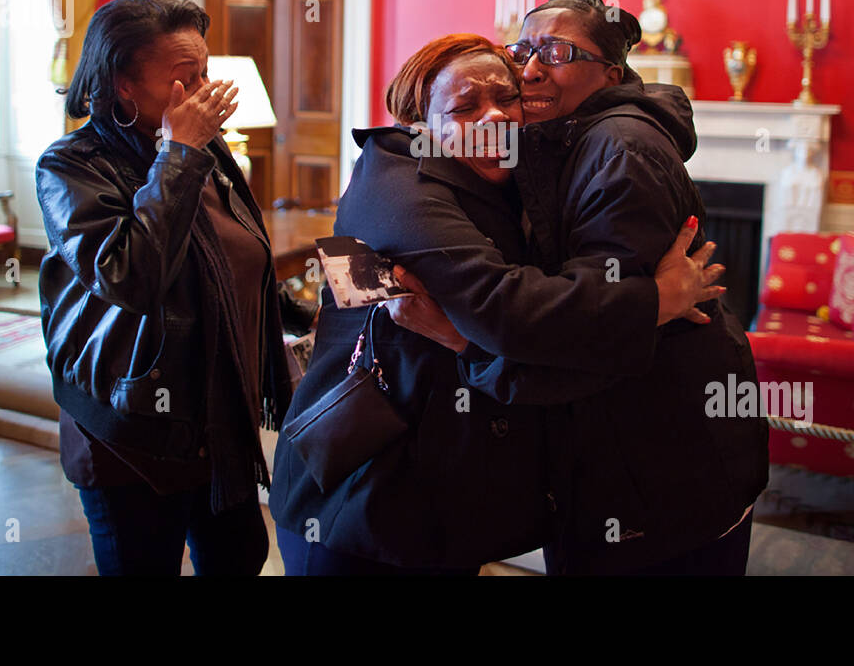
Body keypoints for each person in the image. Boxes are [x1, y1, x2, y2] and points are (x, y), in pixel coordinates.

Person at [269, 34, 722, 575]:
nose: (494, 117)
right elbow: (504, 307)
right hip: (356, 503)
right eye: (464, 107)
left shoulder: (503, 183)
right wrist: (656, 300)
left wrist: (462, 338)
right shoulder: (394, 181)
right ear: (421, 126)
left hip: (440, 503)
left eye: (505, 99)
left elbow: (516, 340)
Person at [391, 0, 770, 575]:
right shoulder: (561, 139)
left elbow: (590, 334)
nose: (532, 69)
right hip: (626, 460)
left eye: (558, 52)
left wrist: (468, 346)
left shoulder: (618, 148)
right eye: (523, 50)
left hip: (658, 470)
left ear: (610, 73)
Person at [37, 0, 315, 576]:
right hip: (132, 427)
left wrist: (296, 316)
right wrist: (178, 154)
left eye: (206, 72)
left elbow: (234, 260)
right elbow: (131, 278)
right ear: (123, 86)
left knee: (239, 556)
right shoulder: (72, 166)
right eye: (183, 80)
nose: (204, 93)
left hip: (219, 413)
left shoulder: (207, 151)